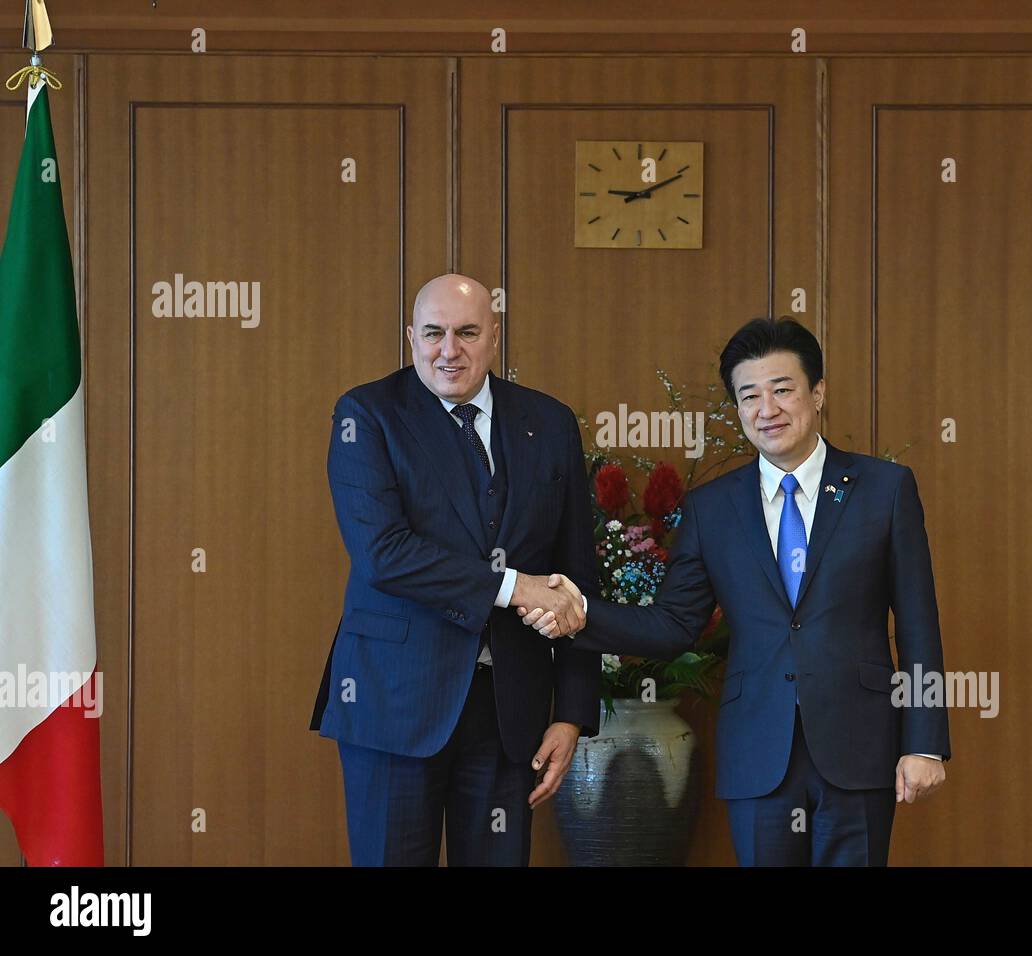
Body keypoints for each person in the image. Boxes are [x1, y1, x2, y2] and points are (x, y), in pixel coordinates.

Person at [520, 316, 950, 866]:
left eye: (782, 389)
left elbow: (918, 626)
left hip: (860, 747)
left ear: (818, 394)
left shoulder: (885, 489)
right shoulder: (713, 507)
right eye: (749, 396)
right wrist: (580, 614)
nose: (766, 409)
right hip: (758, 752)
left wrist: (923, 742)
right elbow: (674, 623)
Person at [310, 274, 596, 866]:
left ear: (494, 336)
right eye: (434, 333)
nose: (449, 350)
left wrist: (571, 712)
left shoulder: (551, 422)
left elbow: (574, 576)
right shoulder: (365, 415)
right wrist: (515, 587)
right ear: (410, 336)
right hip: (392, 705)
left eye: (467, 332)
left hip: (507, 714)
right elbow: (383, 554)